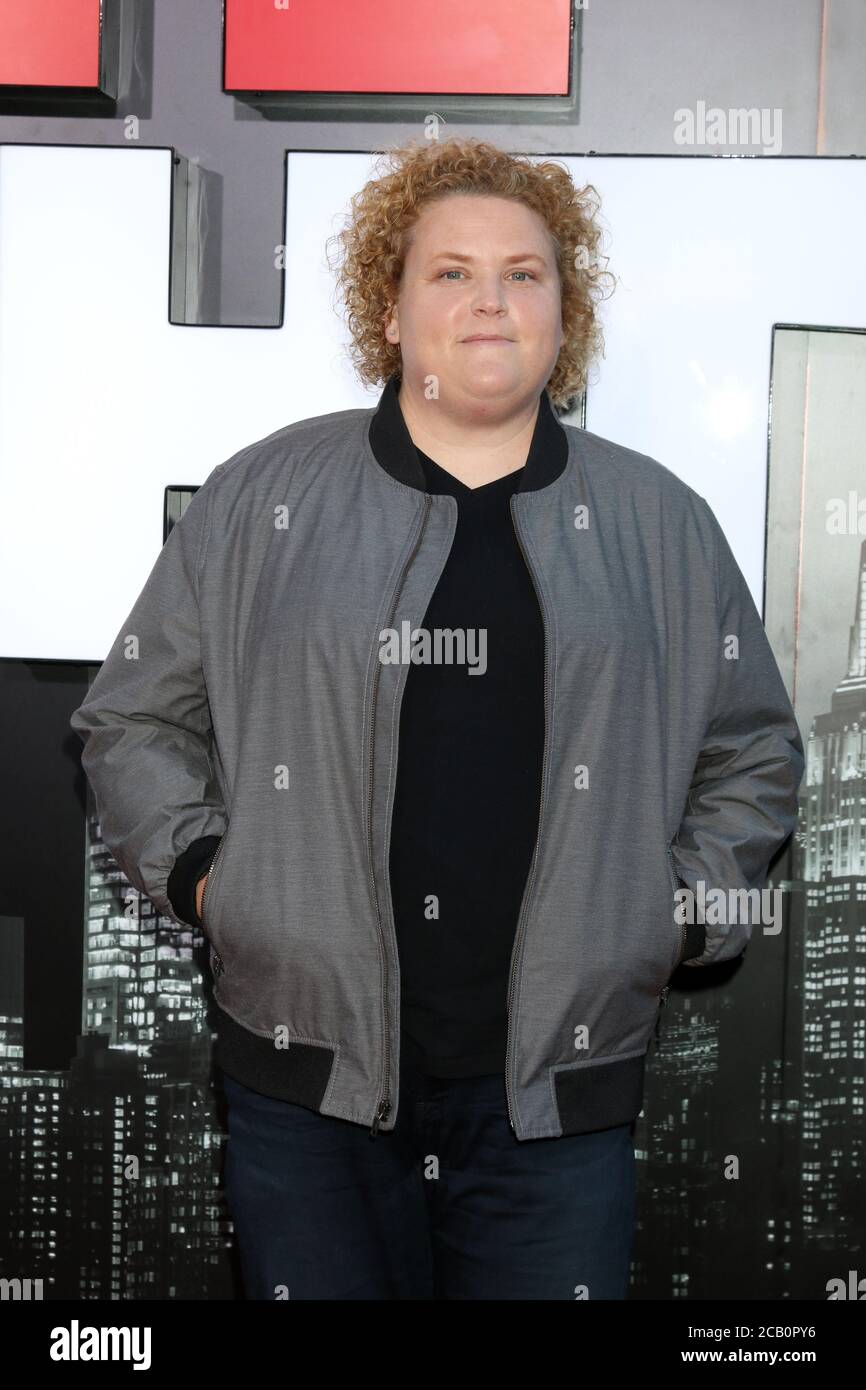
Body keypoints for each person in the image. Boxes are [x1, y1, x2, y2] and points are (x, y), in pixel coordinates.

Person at [70, 136, 805, 1300]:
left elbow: (752, 745)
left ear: (565, 311)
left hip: (555, 1105)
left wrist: (664, 915)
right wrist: (216, 879)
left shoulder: (659, 521)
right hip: (305, 1091)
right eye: (450, 272)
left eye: (523, 273)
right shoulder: (264, 497)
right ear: (390, 305)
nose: (489, 302)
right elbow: (133, 717)